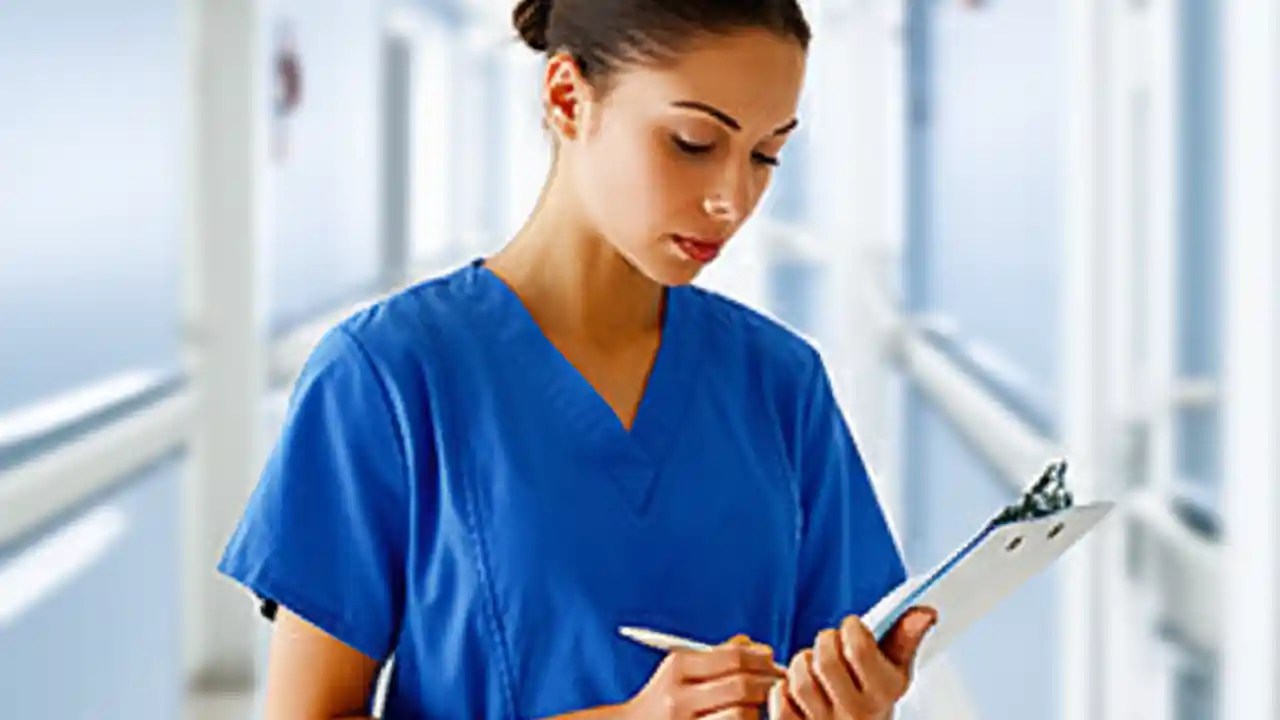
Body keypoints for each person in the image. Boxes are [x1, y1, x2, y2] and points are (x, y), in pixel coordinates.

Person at [217, 0, 937, 717]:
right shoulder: (386, 376)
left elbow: (818, 674)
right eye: (692, 142)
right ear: (568, 97)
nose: (732, 199)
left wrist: (858, 707)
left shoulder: (783, 383)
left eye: (764, 155)